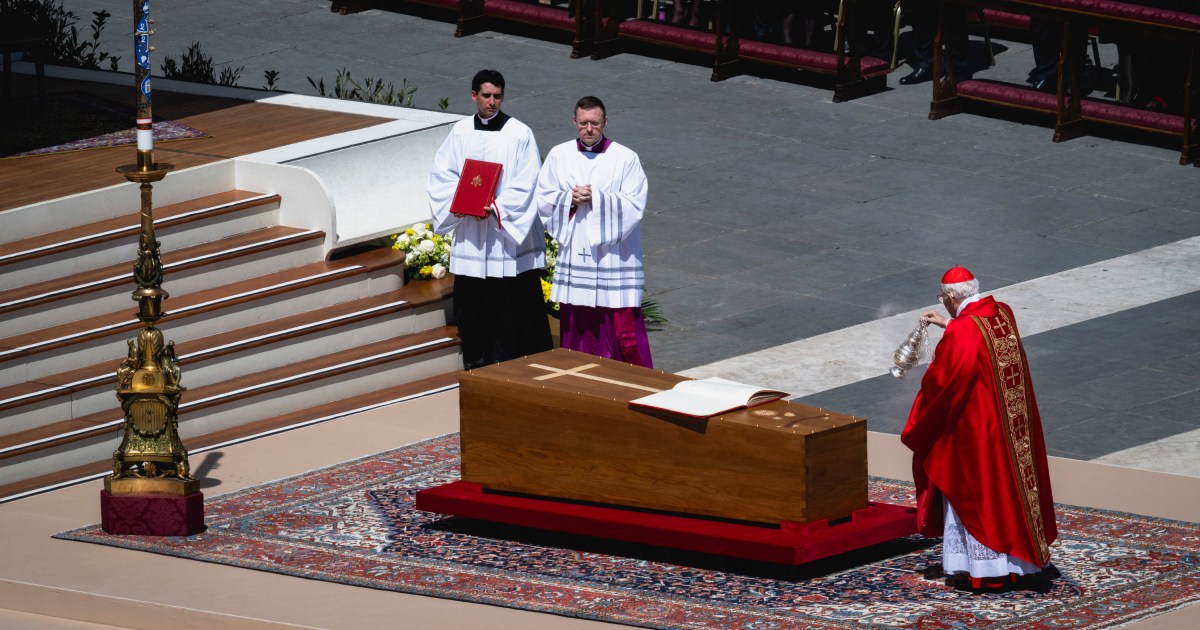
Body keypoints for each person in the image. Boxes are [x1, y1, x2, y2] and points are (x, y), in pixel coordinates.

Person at [901, 266, 1057, 592]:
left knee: (980, 496)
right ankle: (1021, 562)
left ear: (951, 296)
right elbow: (976, 340)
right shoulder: (1000, 313)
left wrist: (920, 413)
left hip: (974, 431)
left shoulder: (963, 332)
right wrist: (949, 325)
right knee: (1009, 493)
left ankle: (988, 569)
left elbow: (944, 382)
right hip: (1008, 424)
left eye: (943, 298)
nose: (943, 303)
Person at [427, 69, 552, 370]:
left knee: (506, 299)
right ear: (473, 96)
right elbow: (442, 175)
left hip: (501, 231)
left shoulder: (519, 133)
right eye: (486, 96)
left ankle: (506, 354)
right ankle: (476, 354)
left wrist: (496, 207)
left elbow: (529, 180)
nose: (492, 102)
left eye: (497, 96)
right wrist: (458, 204)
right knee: (474, 297)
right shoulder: (460, 131)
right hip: (471, 227)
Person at [535, 96, 653, 368]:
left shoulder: (625, 158)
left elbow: (635, 204)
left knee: (618, 319)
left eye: (595, 123)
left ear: (605, 122)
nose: (589, 129)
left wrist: (597, 198)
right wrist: (569, 199)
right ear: (574, 121)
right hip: (578, 251)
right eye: (583, 123)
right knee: (579, 318)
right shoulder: (559, 155)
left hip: (613, 255)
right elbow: (543, 197)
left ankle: (629, 375)